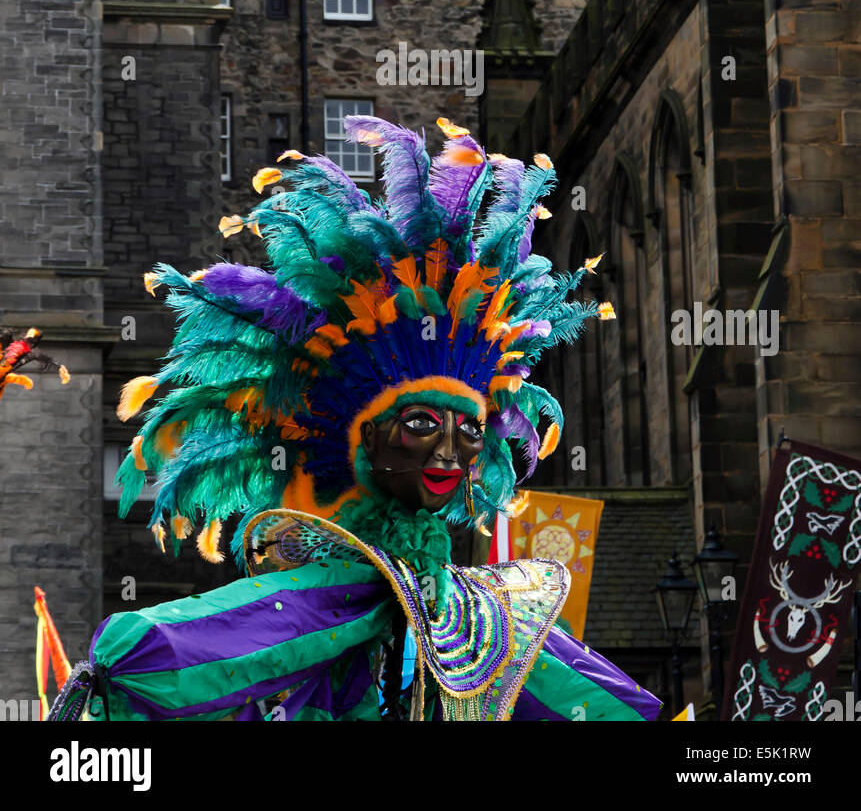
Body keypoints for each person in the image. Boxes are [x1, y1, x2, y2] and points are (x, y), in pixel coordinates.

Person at [51, 116, 661, 722]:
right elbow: (173, 657)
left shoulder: (481, 620)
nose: (450, 452)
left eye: (469, 430)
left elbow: (607, 707)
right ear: (365, 438)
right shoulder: (321, 599)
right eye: (422, 425)